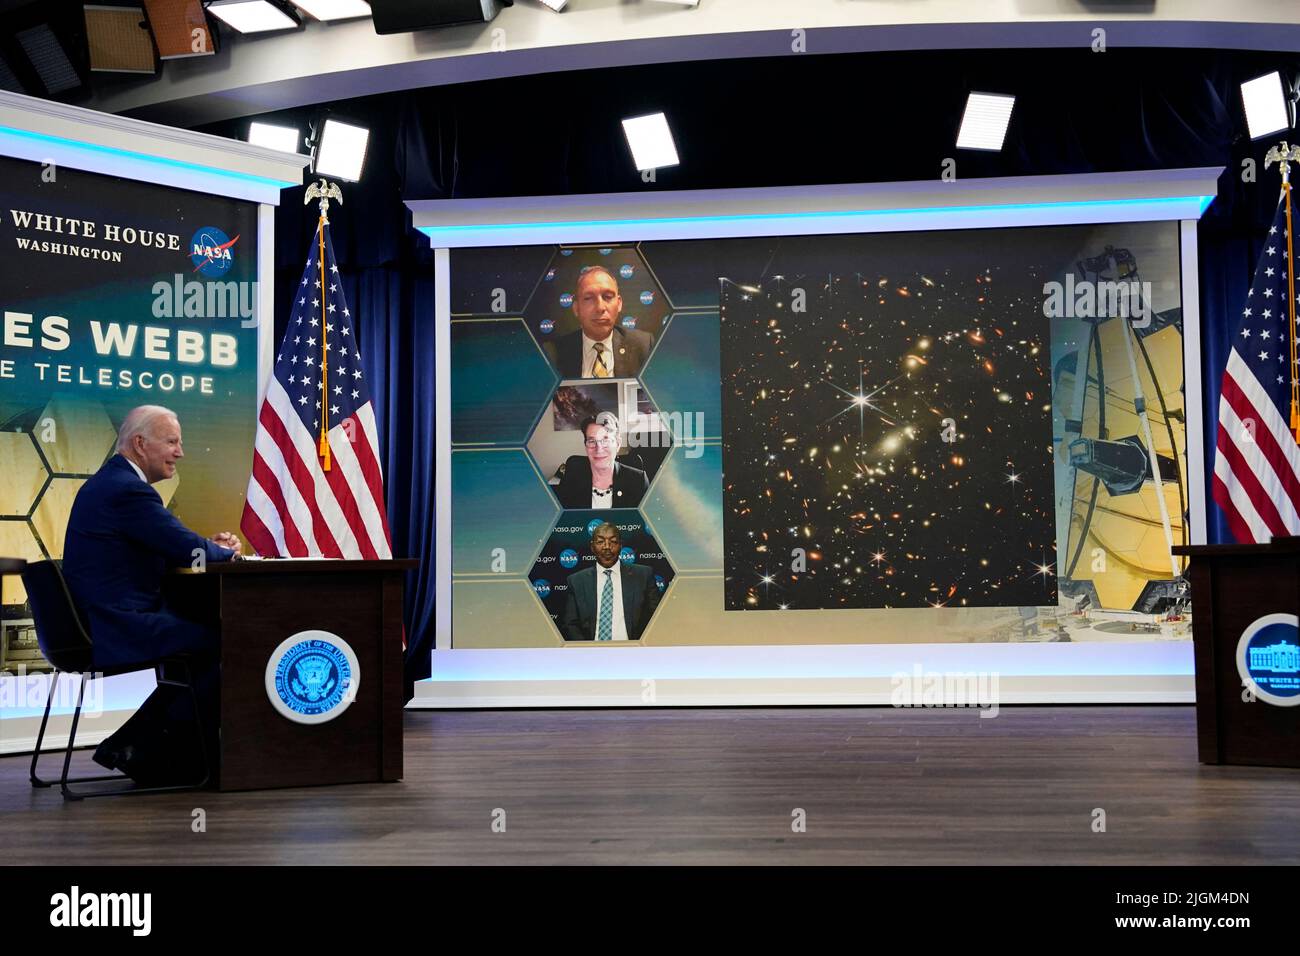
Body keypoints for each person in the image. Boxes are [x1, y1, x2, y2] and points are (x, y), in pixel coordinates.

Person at [62, 405, 242, 785]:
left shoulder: (111, 484)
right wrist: (227, 553)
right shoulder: (127, 490)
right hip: (117, 623)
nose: (180, 452)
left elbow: (173, 543)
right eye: (173, 442)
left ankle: (146, 750)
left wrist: (204, 547)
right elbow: (179, 544)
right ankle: (155, 754)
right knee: (230, 644)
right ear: (141, 444)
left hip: (101, 619)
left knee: (202, 643)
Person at [544, 266, 654, 379]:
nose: (600, 307)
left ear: (619, 304)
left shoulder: (644, 346)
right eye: (589, 298)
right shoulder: (552, 354)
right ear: (576, 308)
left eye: (608, 297)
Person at [559, 522, 662, 642]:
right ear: (592, 547)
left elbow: (656, 619)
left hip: (632, 653)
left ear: (621, 545)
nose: (607, 546)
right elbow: (570, 624)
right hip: (591, 654)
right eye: (600, 542)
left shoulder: (643, 575)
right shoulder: (576, 581)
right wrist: (587, 652)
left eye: (613, 541)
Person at [555, 413, 649, 510]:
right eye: (592, 441)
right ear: (586, 446)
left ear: (618, 444)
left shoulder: (638, 481)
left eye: (606, 440)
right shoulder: (571, 481)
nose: (599, 449)